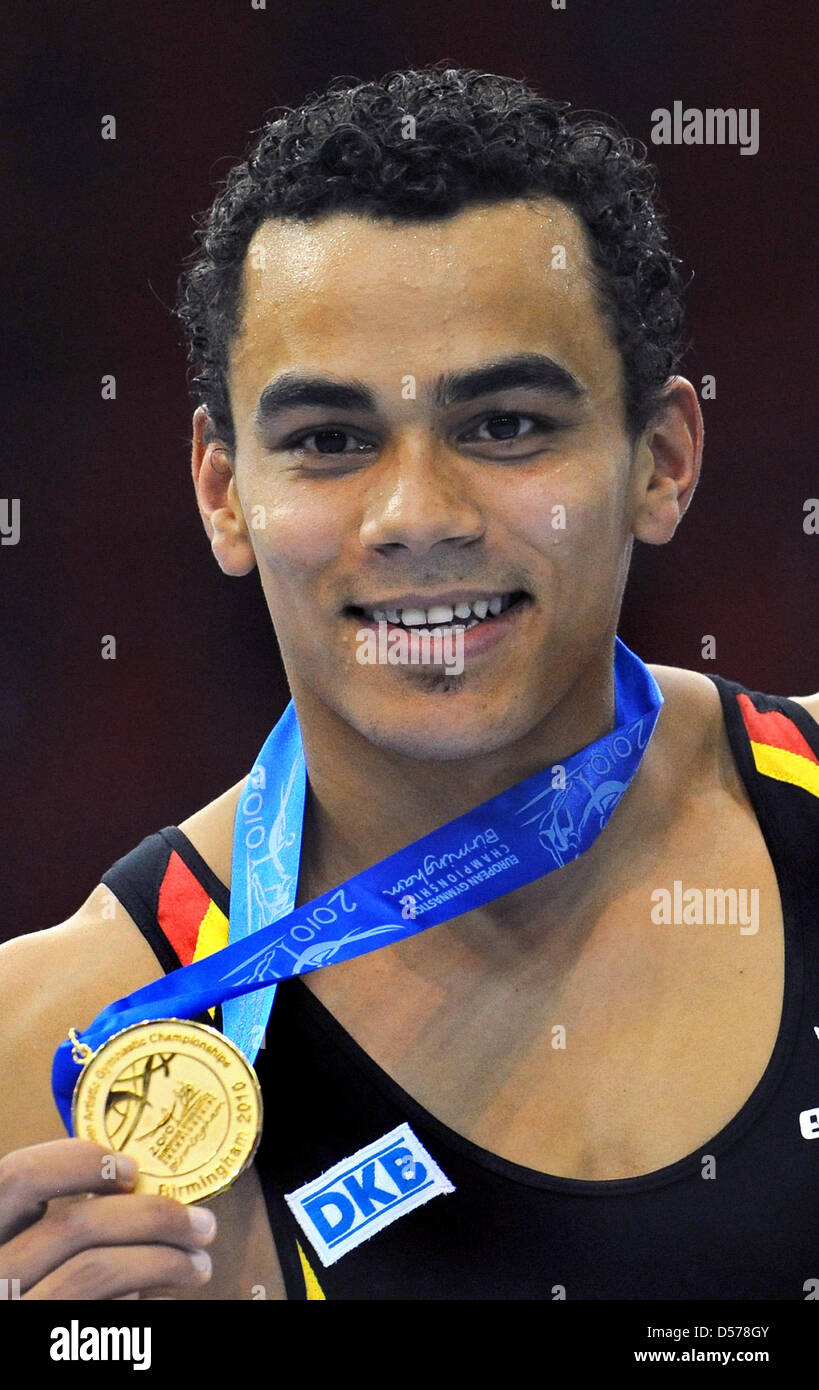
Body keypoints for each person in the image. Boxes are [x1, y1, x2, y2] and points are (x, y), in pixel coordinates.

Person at [1, 65, 817, 1302]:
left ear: (662, 458)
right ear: (225, 493)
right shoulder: (52, 1047)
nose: (417, 516)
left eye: (506, 425)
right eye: (330, 440)